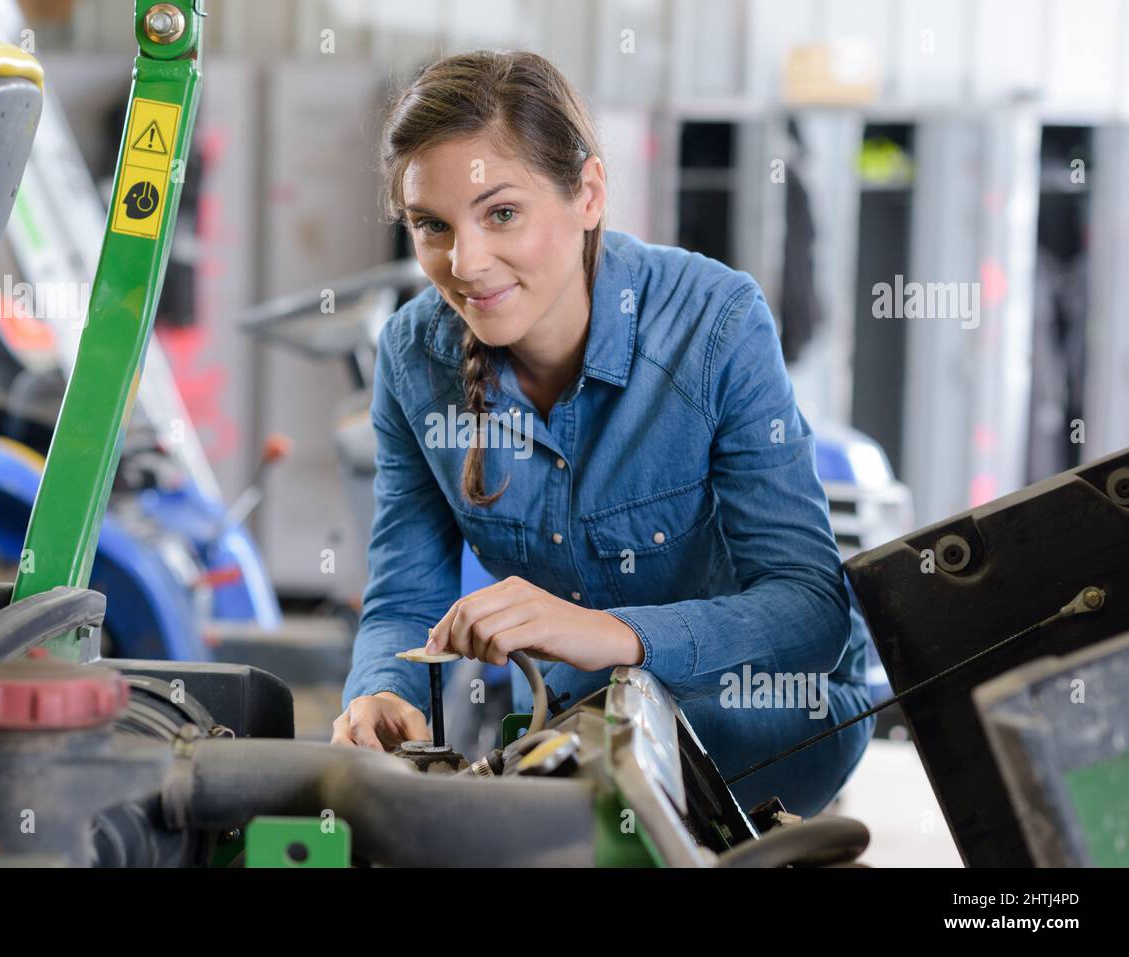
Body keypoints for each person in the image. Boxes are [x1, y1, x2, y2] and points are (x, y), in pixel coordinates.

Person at [331, 50, 873, 817]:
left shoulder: (714, 323)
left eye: (502, 213)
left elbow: (812, 613)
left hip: (768, 725)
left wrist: (609, 633)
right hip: (587, 731)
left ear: (587, 192)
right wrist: (382, 690)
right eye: (432, 225)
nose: (465, 262)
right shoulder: (414, 358)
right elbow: (404, 598)